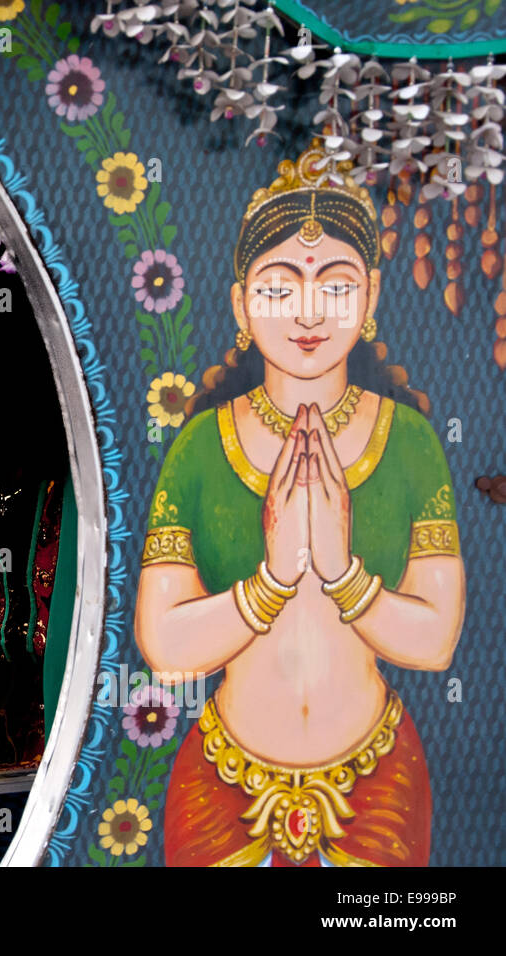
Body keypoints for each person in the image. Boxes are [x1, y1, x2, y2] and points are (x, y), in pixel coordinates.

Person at [135, 141, 465, 867]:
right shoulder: (200, 446)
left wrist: (344, 572)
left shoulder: (407, 442)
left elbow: (437, 642)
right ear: (241, 305)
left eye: (337, 286)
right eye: (280, 287)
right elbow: (163, 649)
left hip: (377, 781)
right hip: (223, 781)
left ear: (371, 298)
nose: (310, 311)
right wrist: (271, 583)